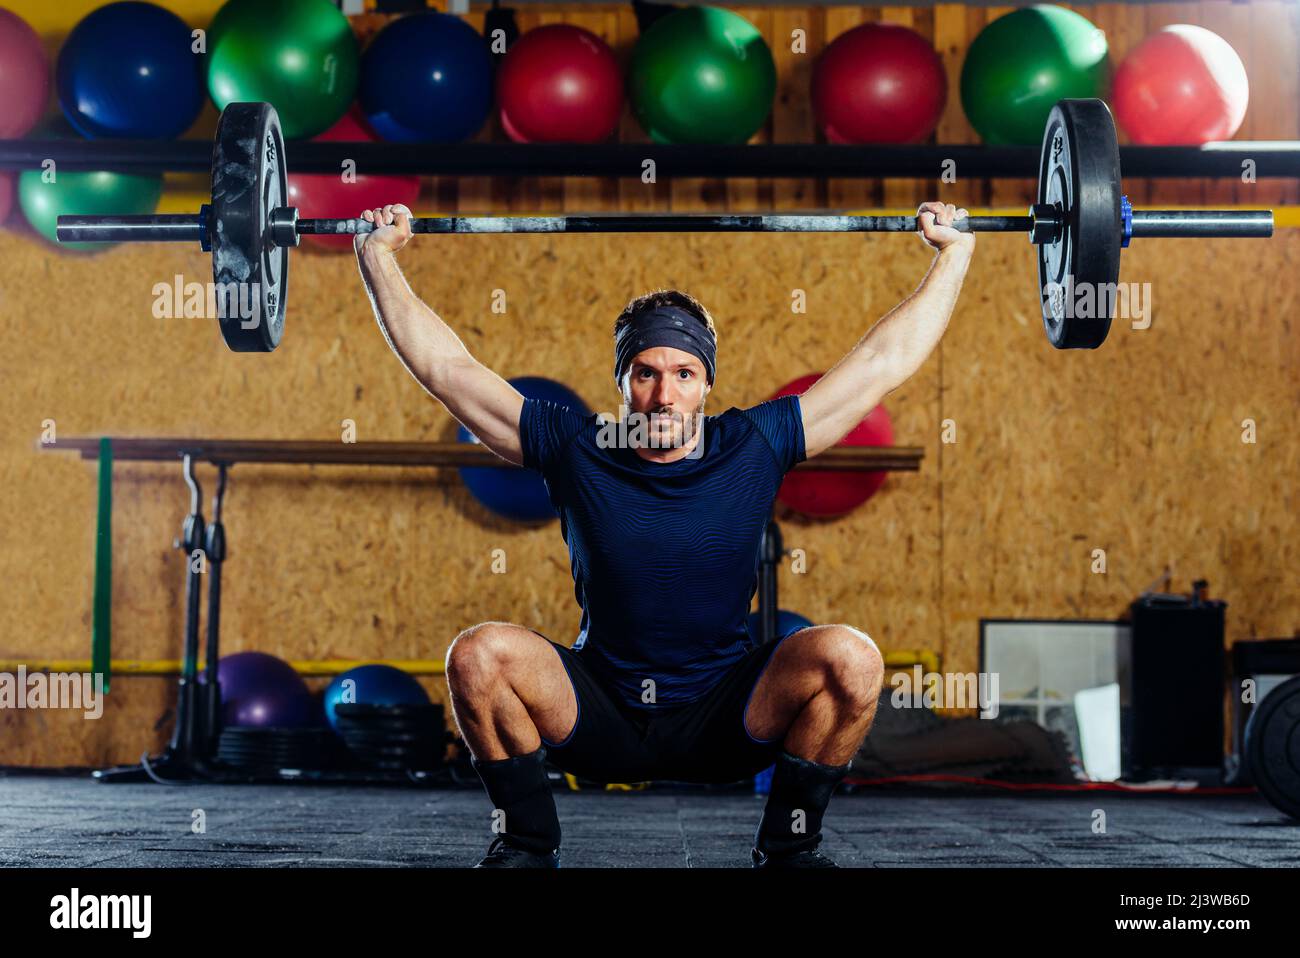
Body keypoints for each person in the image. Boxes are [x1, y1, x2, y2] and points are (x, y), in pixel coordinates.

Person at [354, 202, 975, 867]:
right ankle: (526, 844)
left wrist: (954, 255)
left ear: (707, 381)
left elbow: (883, 363)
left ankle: (791, 849)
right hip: (599, 715)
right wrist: (377, 258)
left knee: (852, 658)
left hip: (724, 718)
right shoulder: (575, 445)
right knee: (477, 655)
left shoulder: (755, 444)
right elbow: (448, 372)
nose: (663, 394)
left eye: (683, 374)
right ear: (622, 382)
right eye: (645, 373)